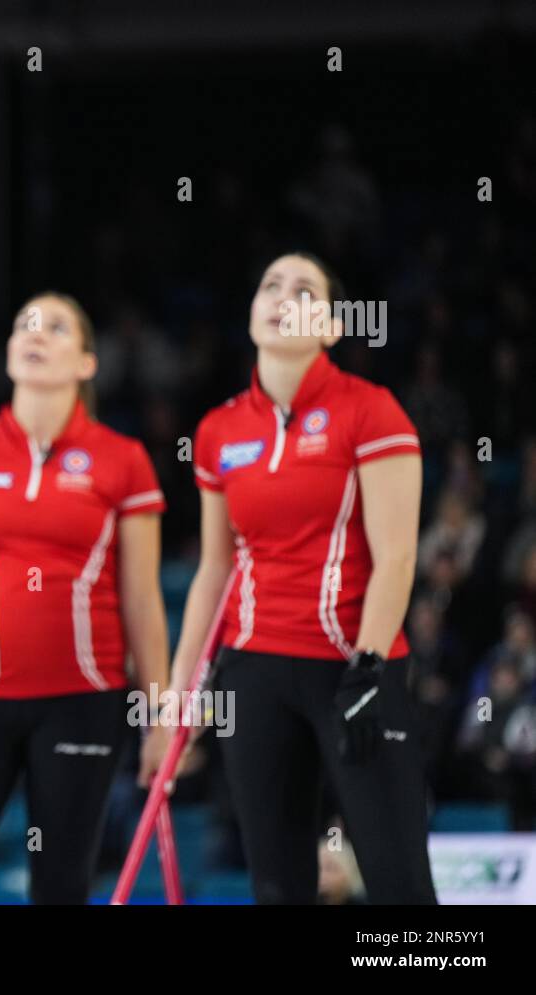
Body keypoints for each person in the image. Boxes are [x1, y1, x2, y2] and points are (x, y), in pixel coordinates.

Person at [172, 252, 437, 904]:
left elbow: (397, 556)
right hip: (255, 673)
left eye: (304, 289)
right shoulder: (219, 430)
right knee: (277, 888)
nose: (283, 296)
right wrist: (177, 695)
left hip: (351, 669)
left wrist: (370, 668)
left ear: (331, 325)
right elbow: (213, 568)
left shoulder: (373, 413)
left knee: (400, 885)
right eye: (270, 285)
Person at [0, 292, 172, 904]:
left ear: (86, 363)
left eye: (57, 328)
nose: (37, 334)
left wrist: (159, 716)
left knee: (60, 890)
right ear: (8, 352)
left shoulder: (122, 460)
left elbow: (142, 598)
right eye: (26, 324)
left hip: (83, 701)